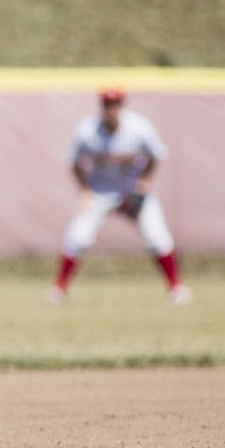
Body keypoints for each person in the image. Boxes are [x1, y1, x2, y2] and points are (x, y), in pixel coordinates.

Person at [50, 87, 190, 304]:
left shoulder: (139, 127)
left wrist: (143, 183)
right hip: (99, 191)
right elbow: (74, 162)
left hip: (130, 188)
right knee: (78, 237)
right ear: (101, 106)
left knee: (157, 236)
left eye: (115, 104)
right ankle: (59, 289)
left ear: (122, 106)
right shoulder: (87, 131)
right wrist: (85, 190)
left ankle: (175, 287)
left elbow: (156, 155)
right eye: (107, 104)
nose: (111, 109)